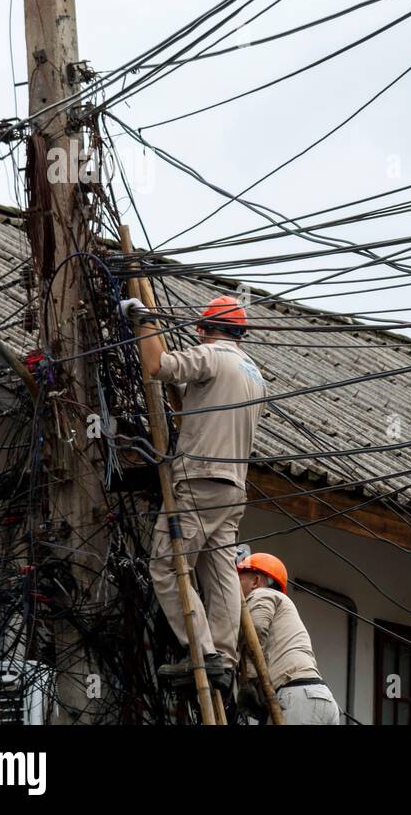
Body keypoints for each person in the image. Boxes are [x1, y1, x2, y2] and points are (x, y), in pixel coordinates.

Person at [120, 293, 267, 688]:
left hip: (200, 479)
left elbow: (157, 365)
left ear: (205, 330)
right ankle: (225, 655)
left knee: (166, 564)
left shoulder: (213, 355)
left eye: (199, 332)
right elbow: (198, 397)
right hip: (233, 488)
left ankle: (203, 654)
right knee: (220, 574)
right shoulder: (254, 375)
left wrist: (144, 321)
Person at [237, 552, 342, 725]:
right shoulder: (282, 603)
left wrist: (249, 680)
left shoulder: (261, 594)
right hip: (320, 699)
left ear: (256, 581)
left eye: (240, 579)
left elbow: (254, 630)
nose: (235, 587)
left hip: (297, 697)